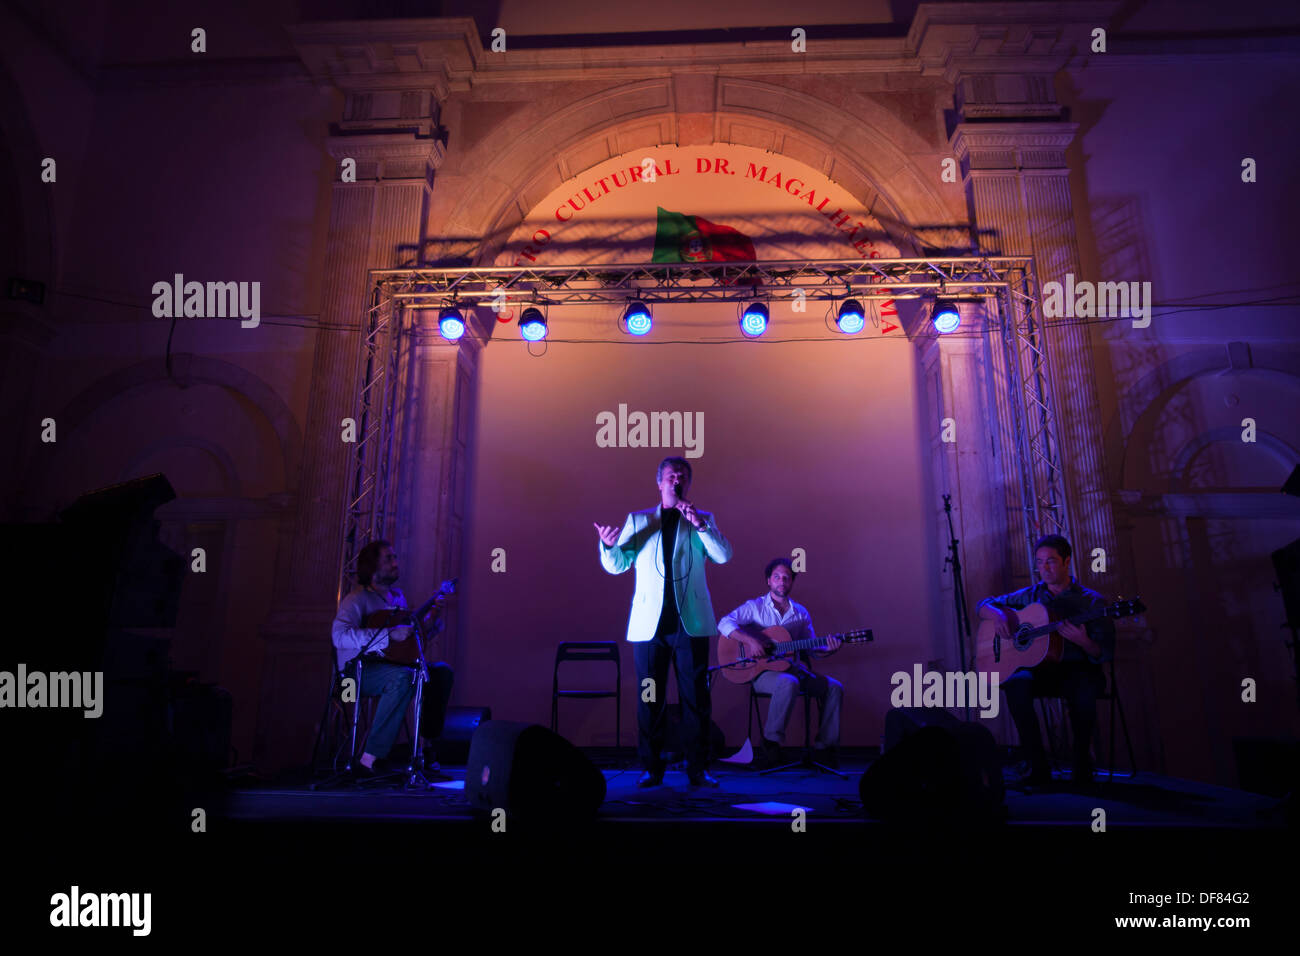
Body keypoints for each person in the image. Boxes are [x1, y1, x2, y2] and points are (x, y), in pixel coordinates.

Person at [594, 457, 733, 788]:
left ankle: (698, 769)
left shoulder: (703, 519)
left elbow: (723, 556)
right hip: (649, 627)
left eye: (682, 476)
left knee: (695, 699)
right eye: (671, 475)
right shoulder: (638, 519)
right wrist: (608, 546)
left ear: (688, 484)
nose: (677, 479)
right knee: (649, 697)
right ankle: (651, 768)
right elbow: (618, 566)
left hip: (691, 625)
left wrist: (699, 524)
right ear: (659, 483)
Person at [977, 534, 1115, 787]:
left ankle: (1081, 764)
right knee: (1017, 682)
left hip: (1077, 671)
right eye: (1039, 562)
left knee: (1083, 688)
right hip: (1043, 673)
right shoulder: (1030, 595)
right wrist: (999, 616)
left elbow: (1104, 652)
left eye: (1051, 561)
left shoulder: (1092, 601)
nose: (1045, 568)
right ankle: (1037, 764)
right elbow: (982, 605)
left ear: (1066, 562)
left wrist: (1084, 641)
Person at [331, 540, 455, 775]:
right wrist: (388, 635)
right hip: (353, 674)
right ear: (372, 566)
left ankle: (425, 746)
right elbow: (339, 636)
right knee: (403, 677)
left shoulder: (397, 598)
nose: (395, 563)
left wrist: (431, 619)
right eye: (388, 559)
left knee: (440, 673)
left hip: (389, 665)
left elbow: (406, 640)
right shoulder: (356, 599)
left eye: (395, 557)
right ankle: (369, 759)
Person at [718, 558, 844, 769]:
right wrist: (751, 640)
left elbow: (812, 648)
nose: (781, 581)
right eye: (777, 577)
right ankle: (771, 745)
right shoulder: (755, 607)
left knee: (834, 687)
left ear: (791, 582)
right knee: (788, 681)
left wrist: (828, 649)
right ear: (769, 581)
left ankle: (825, 749)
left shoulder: (800, 613)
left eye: (786, 578)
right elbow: (724, 622)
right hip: (759, 673)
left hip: (791, 670)